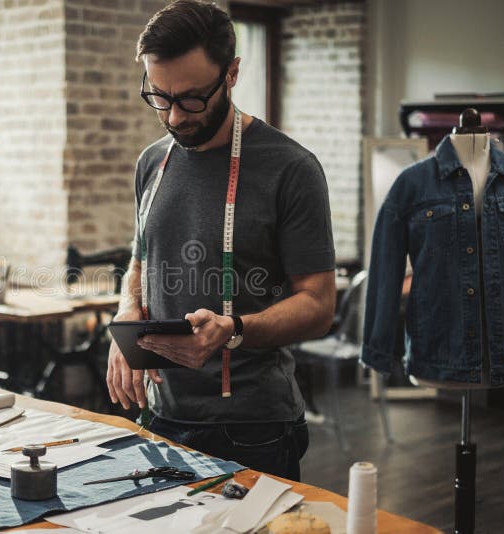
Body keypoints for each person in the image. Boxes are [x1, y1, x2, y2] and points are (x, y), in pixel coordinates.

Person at [106, 0, 336, 481]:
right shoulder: (151, 163)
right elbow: (141, 260)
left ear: (231, 74)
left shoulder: (291, 169)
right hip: (161, 417)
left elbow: (318, 304)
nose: (174, 117)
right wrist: (127, 312)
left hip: (253, 427)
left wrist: (234, 329)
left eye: (192, 99)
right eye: (159, 97)